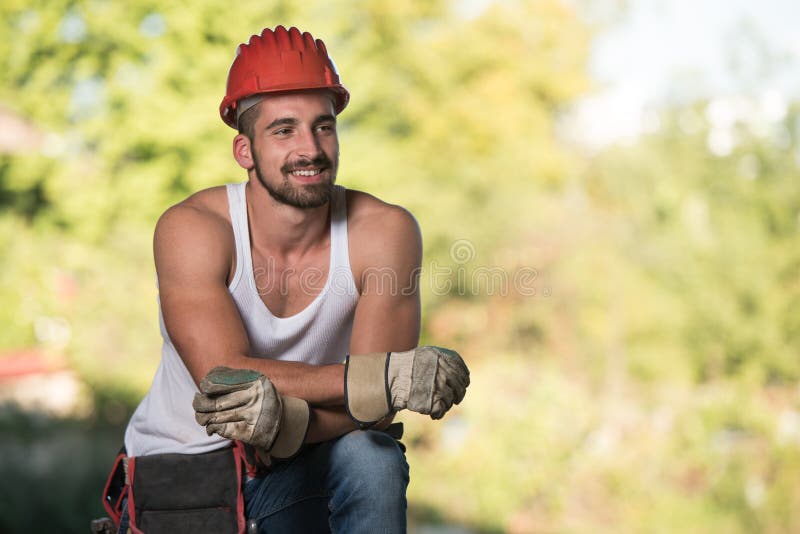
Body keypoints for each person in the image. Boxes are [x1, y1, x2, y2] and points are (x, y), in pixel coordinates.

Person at [114, 25, 469, 533]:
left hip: (299, 470)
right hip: (182, 482)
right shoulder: (193, 229)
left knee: (373, 457)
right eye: (284, 130)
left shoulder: (383, 232)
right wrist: (381, 377)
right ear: (245, 150)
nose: (310, 149)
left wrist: (288, 427)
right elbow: (227, 380)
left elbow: (372, 412)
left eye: (323, 126)